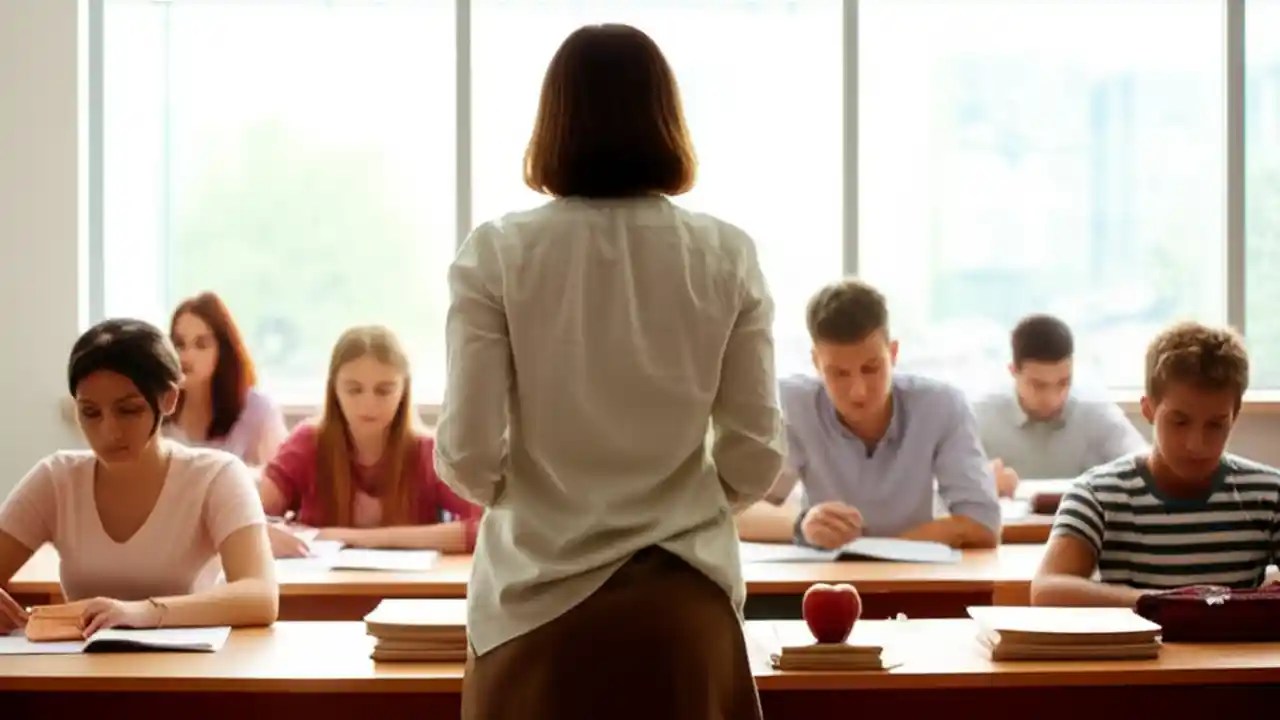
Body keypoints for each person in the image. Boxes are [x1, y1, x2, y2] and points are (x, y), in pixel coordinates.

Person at [435, 23, 785, 720]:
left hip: (534, 610)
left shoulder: (497, 254)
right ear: (667, 119)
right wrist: (676, 502)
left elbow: (468, 455)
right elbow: (754, 458)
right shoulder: (727, 255)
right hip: (683, 608)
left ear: (552, 123)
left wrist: (539, 498)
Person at [0, 319, 277, 636]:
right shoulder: (56, 479)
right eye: (90, 412)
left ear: (168, 399)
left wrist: (143, 612)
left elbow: (261, 595)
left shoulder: (216, 476)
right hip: (82, 664)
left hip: (190, 664)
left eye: (128, 410)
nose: (109, 431)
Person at [736, 279, 1001, 550]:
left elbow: (983, 523)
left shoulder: (942, 406)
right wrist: (802, 525)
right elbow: (737, 512)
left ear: (893, 353)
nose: (858, 392)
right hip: (825, 571)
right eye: (839, 373)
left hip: (915, 570)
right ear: (816, 362)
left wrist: (881, 553)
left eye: (871, 368)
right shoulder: (793, 406)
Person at [1032, 321, 1280, 607]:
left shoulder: (1269, 494)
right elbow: (1046, 590)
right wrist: (1170, 604)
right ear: (1148, 409)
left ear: (1234, 416)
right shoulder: (1097, 494)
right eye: (1179, 422)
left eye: (1215, 425)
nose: (1196, 444)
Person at [259, 326, 481, 558]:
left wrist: (349, 538)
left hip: (408, 581)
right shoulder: (306, 444)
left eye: (384, 391)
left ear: (404, 390)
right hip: (319, 580)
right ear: (334, 389)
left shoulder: (429, 452)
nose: (368, 404)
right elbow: (249, 519)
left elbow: (486, 525)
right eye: (354, 390)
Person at [973, 314, 1147, 495]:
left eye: (1064, 382)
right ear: (1013, 371)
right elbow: (954, 485)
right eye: (1038, 385)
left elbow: (1144, 464)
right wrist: (981, 483)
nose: (1053, 398)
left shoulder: (1095, 412)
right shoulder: (981, 417)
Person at [165, 291, 288, 467]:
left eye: (201, 345)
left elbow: (280, 478)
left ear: (222, 351)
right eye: (179, 344)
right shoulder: (158, 410)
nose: (186, 356)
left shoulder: (258, 411)